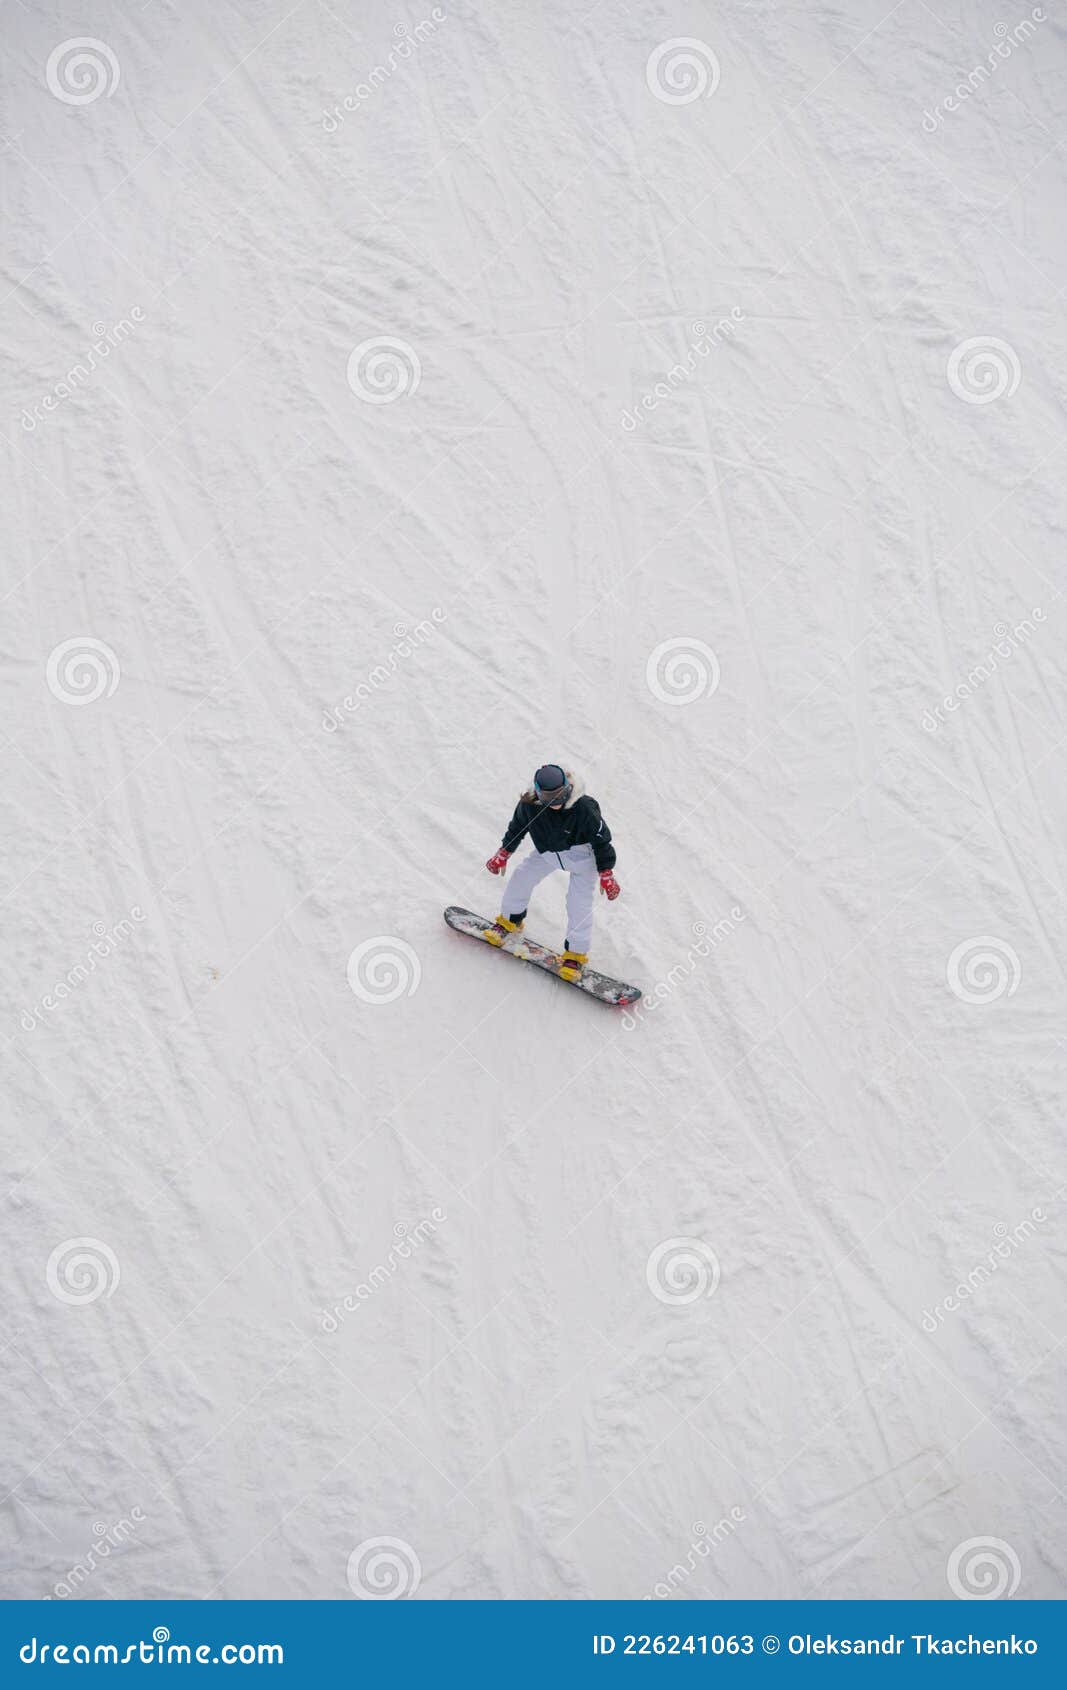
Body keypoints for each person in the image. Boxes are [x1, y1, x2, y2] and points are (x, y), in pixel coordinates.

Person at [484, 764, 620, 980]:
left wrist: (606, 873)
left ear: (568, 787)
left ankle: (575, 955)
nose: (557, 804)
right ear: (538, 793)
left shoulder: (584, 808)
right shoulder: (529, 805)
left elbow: (602, 841)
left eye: (562, 796)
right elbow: (517, 828)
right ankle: (510, 921)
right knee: (522, 877)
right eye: (550, 798)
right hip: (547, 852)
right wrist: (504, 852)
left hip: (582, 857)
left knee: (578, 903)